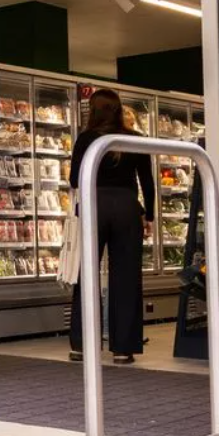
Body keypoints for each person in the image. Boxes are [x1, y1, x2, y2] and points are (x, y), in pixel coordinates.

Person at [68, 89, 155, 365]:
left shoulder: (86, 139)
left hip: (94, 205)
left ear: (93, 111)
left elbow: (73, 179)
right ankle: (123, 348)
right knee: (127, 277)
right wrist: (149, 215)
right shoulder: (134, 139)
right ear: (119, 110)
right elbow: (147, 183)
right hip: (127, 208)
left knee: (88, 274)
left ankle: (82, 345)